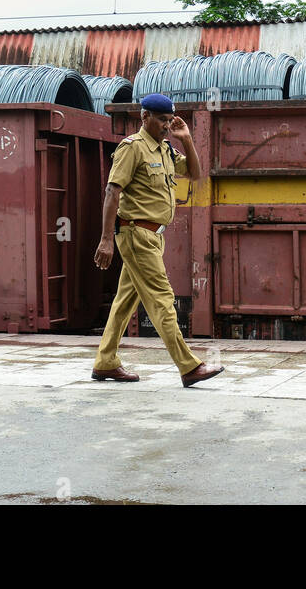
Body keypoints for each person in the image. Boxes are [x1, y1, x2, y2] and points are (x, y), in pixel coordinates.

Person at [91, 93, 224, 387]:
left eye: (169, 121)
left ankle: (105, 362)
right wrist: (105, 240)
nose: (166, 126)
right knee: (163, 300)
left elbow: (196, 173)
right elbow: (112, 193)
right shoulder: (133, 148)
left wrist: (185, 138)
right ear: (144, 117)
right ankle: (189, 366)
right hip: (136, 234)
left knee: (125, 301)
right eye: (162, 120)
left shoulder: (164, 150)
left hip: (152, 237)